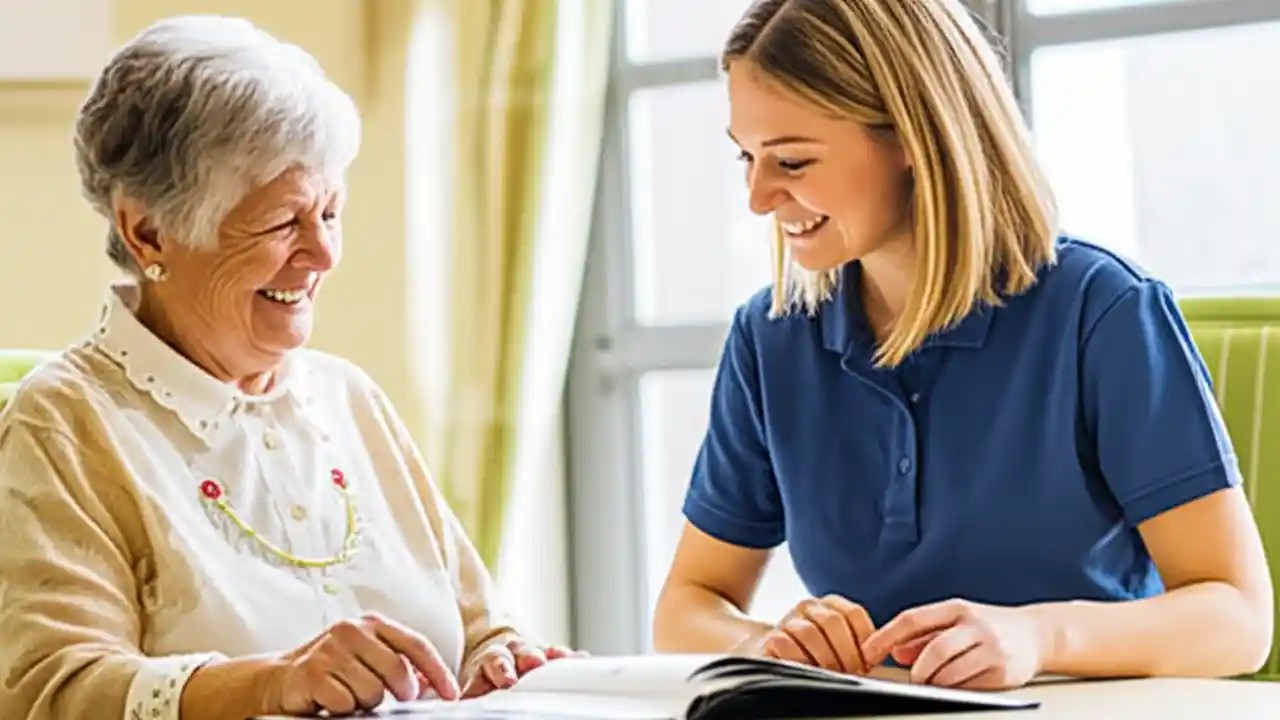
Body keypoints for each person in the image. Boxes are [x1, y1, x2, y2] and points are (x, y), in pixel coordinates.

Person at [652, 0, 1273, 690]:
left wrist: (1038, 635)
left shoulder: (1102, 310)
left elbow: (1239, 620)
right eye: (747, 156)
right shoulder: (770, 339)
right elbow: (687, 606)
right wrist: (771, 642)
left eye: (792, 160)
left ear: (914, 137)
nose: (758, 197)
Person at [0, 16, 572, 720]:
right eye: (282, 224)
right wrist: (270, 684)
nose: (324, 254)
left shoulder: (348, 398)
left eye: (330, 212)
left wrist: (501, 657)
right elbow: (49, 690)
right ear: (147, 232)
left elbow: (479, 629)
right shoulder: (63, 423)